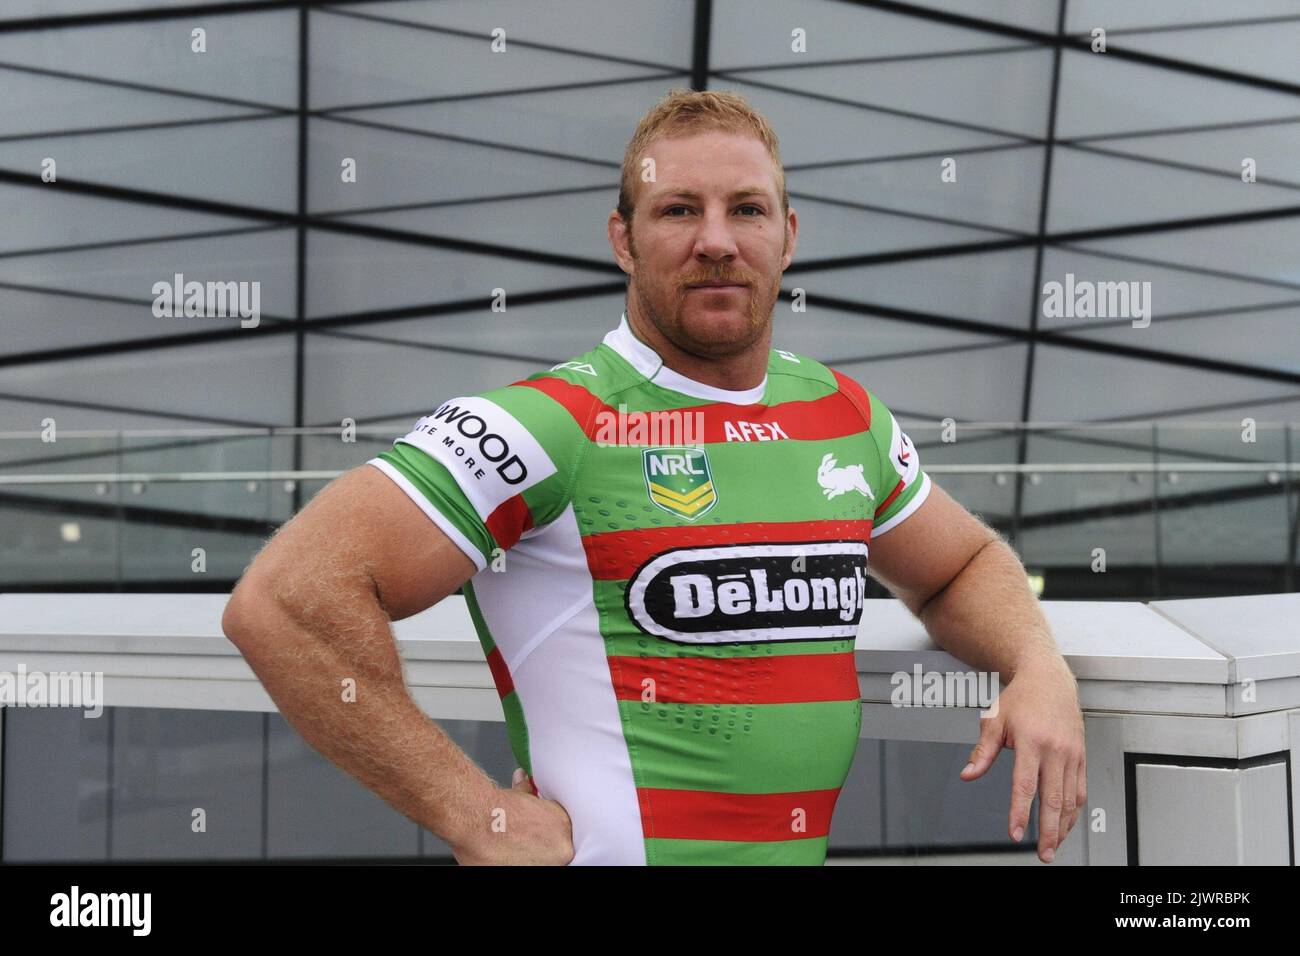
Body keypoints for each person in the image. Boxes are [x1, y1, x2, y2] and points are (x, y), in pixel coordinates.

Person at [222, 88, 1085, 866]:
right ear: (623, 239)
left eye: (746, 209)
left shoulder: (845, 416)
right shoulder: (550, 420)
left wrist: (1036, 664)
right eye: (679, 210)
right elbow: (286, 601)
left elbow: (959, 566)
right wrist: (474, 814)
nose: (716, 240)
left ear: (788, 235)